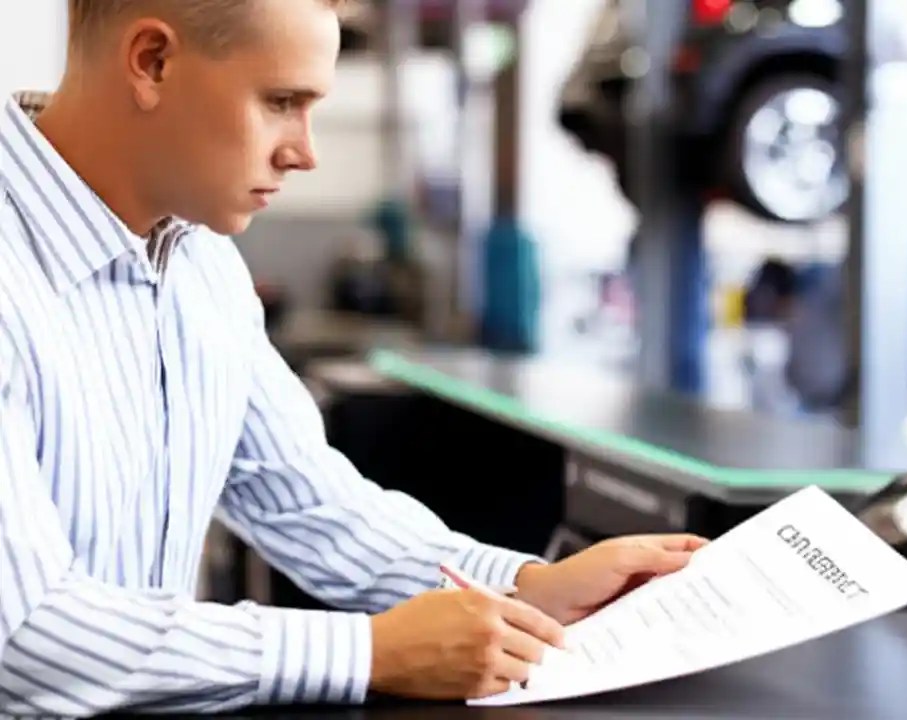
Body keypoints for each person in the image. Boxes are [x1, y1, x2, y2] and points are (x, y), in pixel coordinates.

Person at [0, 0, 707, 715]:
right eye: (281, 102)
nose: (305, 151)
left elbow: (308, 500)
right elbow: (22, 634)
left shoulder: (199, 263)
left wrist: (523, 587)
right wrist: (369, 651)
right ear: (152, 61)